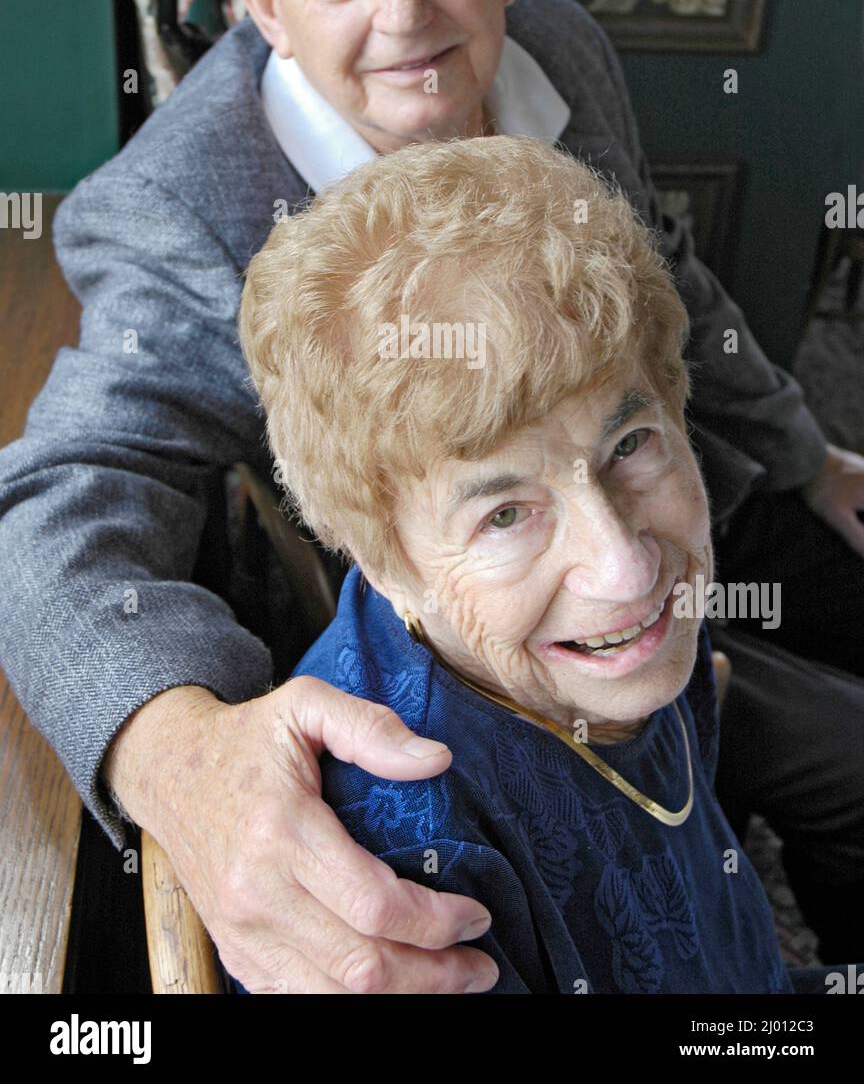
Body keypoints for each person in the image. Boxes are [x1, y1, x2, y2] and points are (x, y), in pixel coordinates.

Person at [0, 0, 861, 992]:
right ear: (262, 0)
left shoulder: (561, 43)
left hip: (668, 496)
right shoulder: (179, 207)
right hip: (494, 655)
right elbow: (63, 495)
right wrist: (171, 748)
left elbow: (674, 287)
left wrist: (807, 454)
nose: (404, 13)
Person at [229, 133, 851, 994]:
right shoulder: (400, 883)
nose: (626, 568)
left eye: (631, 444)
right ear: (383, 559)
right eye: (506, 514)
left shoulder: (622, 644)